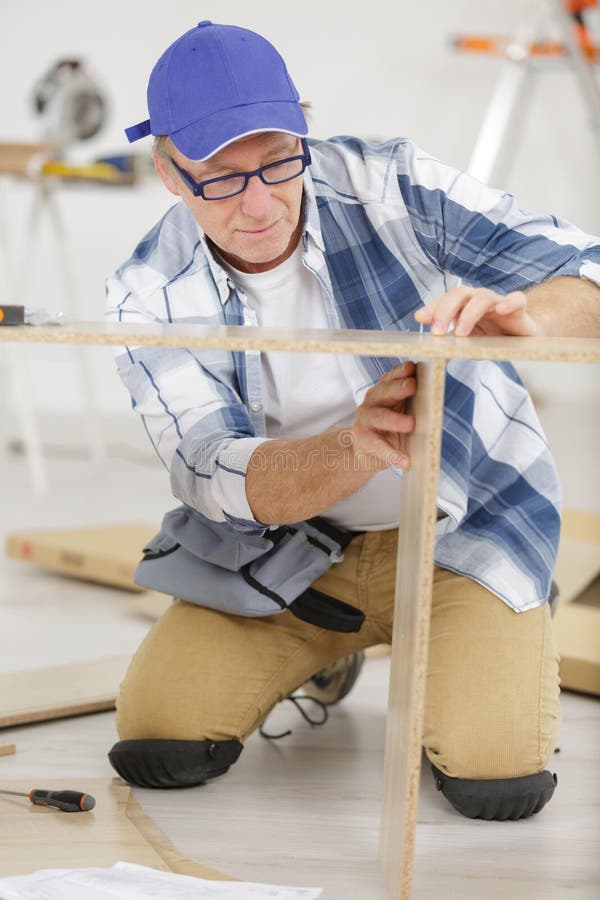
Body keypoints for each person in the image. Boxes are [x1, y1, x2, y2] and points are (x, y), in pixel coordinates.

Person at [105, 21, 600, 820]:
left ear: (303, 120)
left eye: (276, 160)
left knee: (496, 781)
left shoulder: (391, 183)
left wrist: (528, 319)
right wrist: (354, 449)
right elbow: (210, 472)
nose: (260, 203)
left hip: (459, 531)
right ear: (168, 171)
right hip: (286, 556)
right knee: (159, 741)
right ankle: (329, 652)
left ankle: (458, 644)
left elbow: (588, 269)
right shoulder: (146, 293)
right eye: (221, 179)